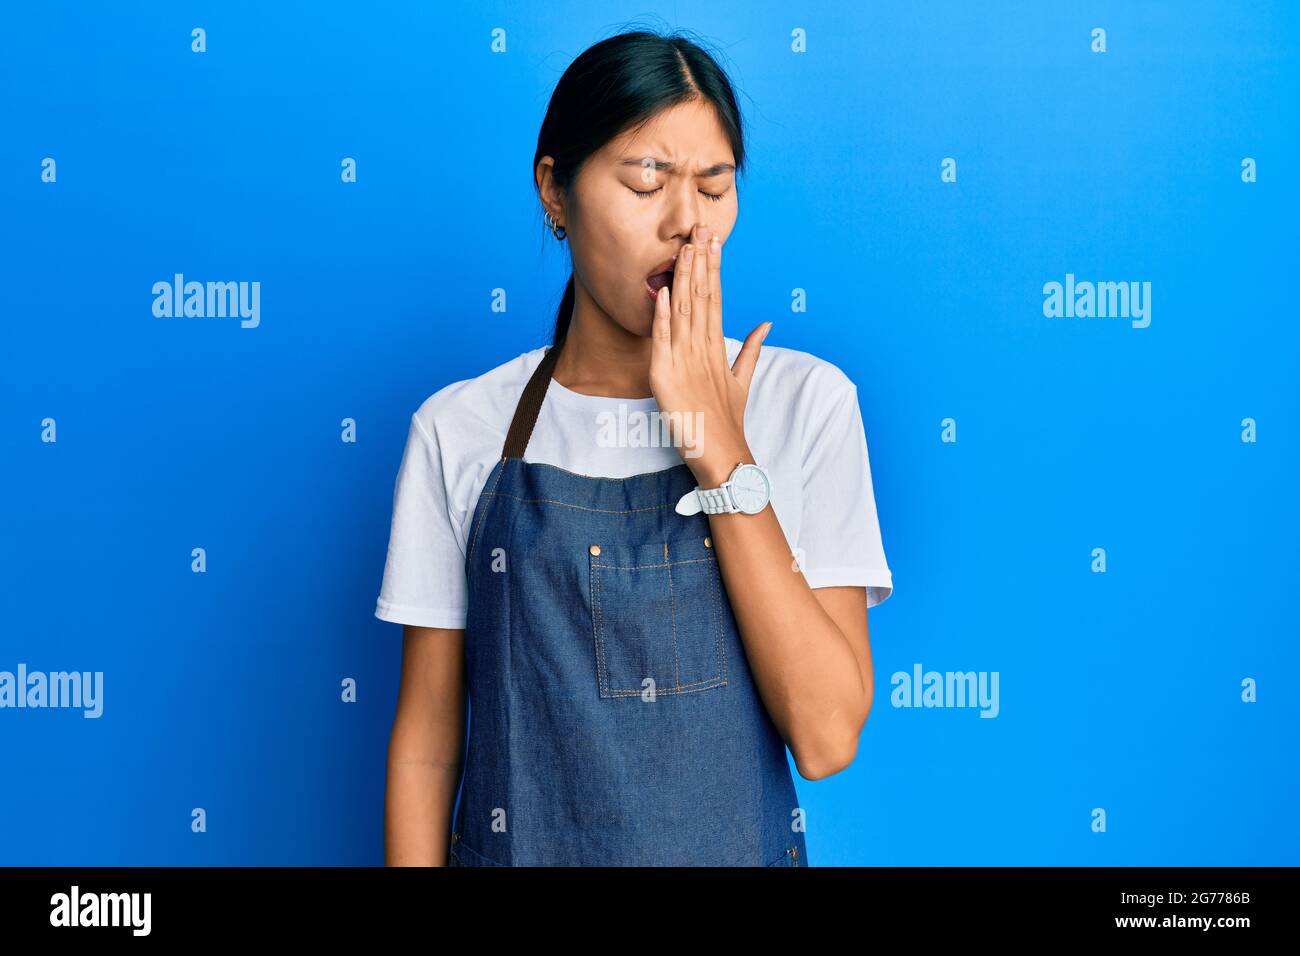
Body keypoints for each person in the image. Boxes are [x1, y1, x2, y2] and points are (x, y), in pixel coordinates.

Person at [376, 29, 894, 867]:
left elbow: (828, 733)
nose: (688, 222)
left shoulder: (809, 404)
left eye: (714, 186)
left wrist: (718, 447)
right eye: (646, 180)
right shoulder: (460, 427)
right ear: (556, 190)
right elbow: (428, 745)